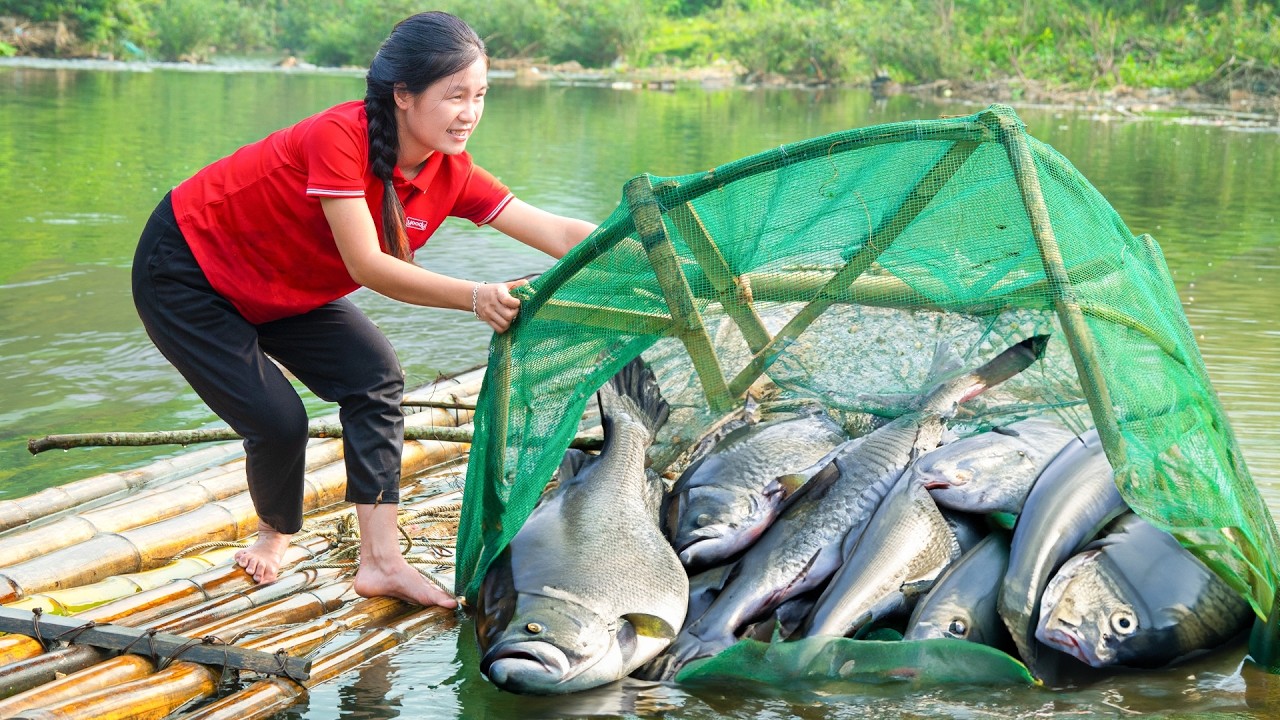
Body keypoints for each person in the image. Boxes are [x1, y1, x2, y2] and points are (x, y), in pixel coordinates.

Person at [131, 12, 595, 609]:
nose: (470, 112)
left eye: (480, 95)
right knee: (278, 420)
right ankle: (273, 532)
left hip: (282, 281)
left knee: (375, 376)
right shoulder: (340, 137)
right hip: (188, 269)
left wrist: (649, 247)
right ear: (403, 95)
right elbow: (368, 266)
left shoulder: (450, 172)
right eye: (454, 95)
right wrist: (475, 296)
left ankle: (380, 562)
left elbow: (555, 230)